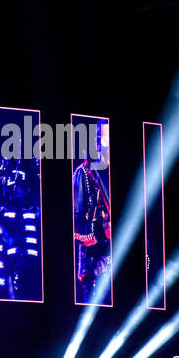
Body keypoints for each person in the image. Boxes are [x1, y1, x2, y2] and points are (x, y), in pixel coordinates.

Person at [73, 119, 112, 305]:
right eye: (104, 140)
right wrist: (100, 235)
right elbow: (75, 228)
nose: (108, 144)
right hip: (95, 270)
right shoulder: (85, 174)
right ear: (96, 142)